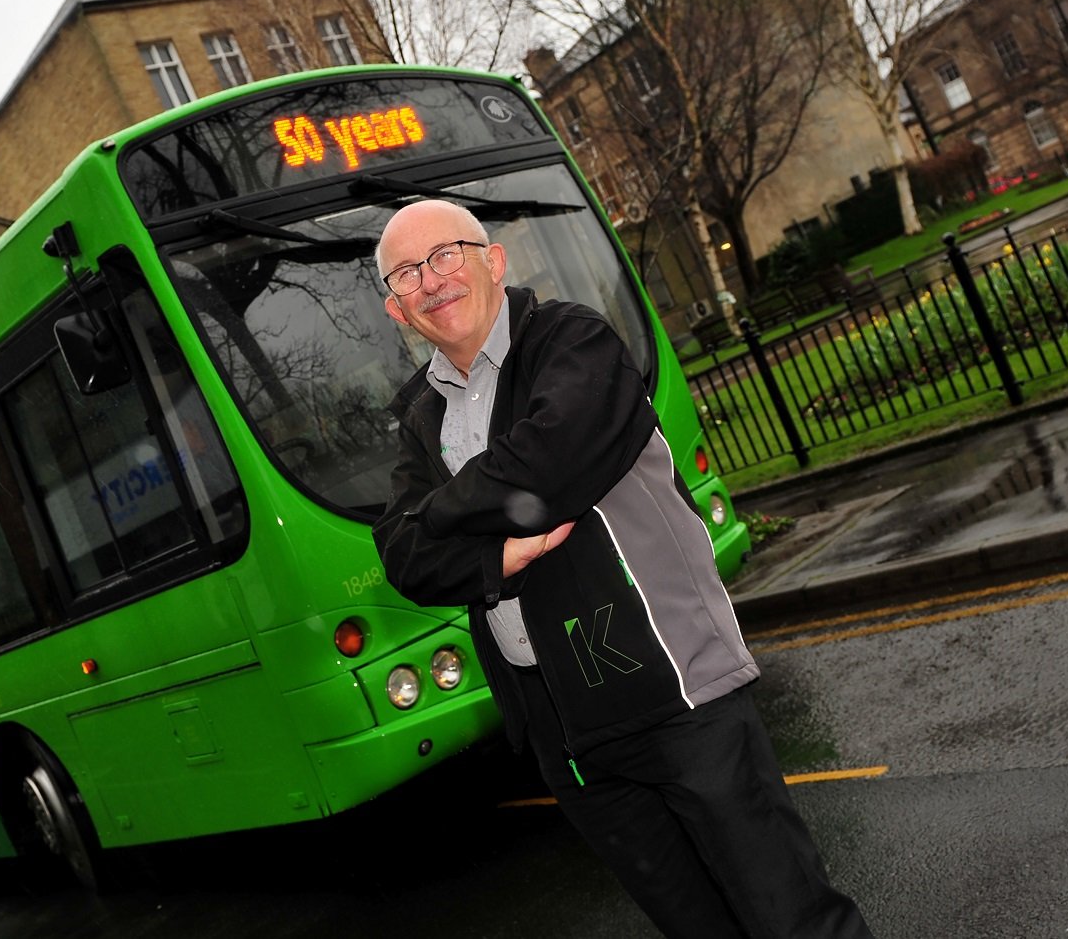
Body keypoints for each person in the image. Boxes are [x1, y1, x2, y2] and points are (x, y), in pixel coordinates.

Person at [371, 199, 873, 939]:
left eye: (445, 254)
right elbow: (403, 557)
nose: (432, 280)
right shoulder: (422, 414)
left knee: (789, 916)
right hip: (561, 723)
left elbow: (546, 466)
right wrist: (497, 554)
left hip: (674, 688)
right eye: (407, 272)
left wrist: (441, 510)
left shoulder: (572, 341)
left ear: (492, 260)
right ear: (396, 309)